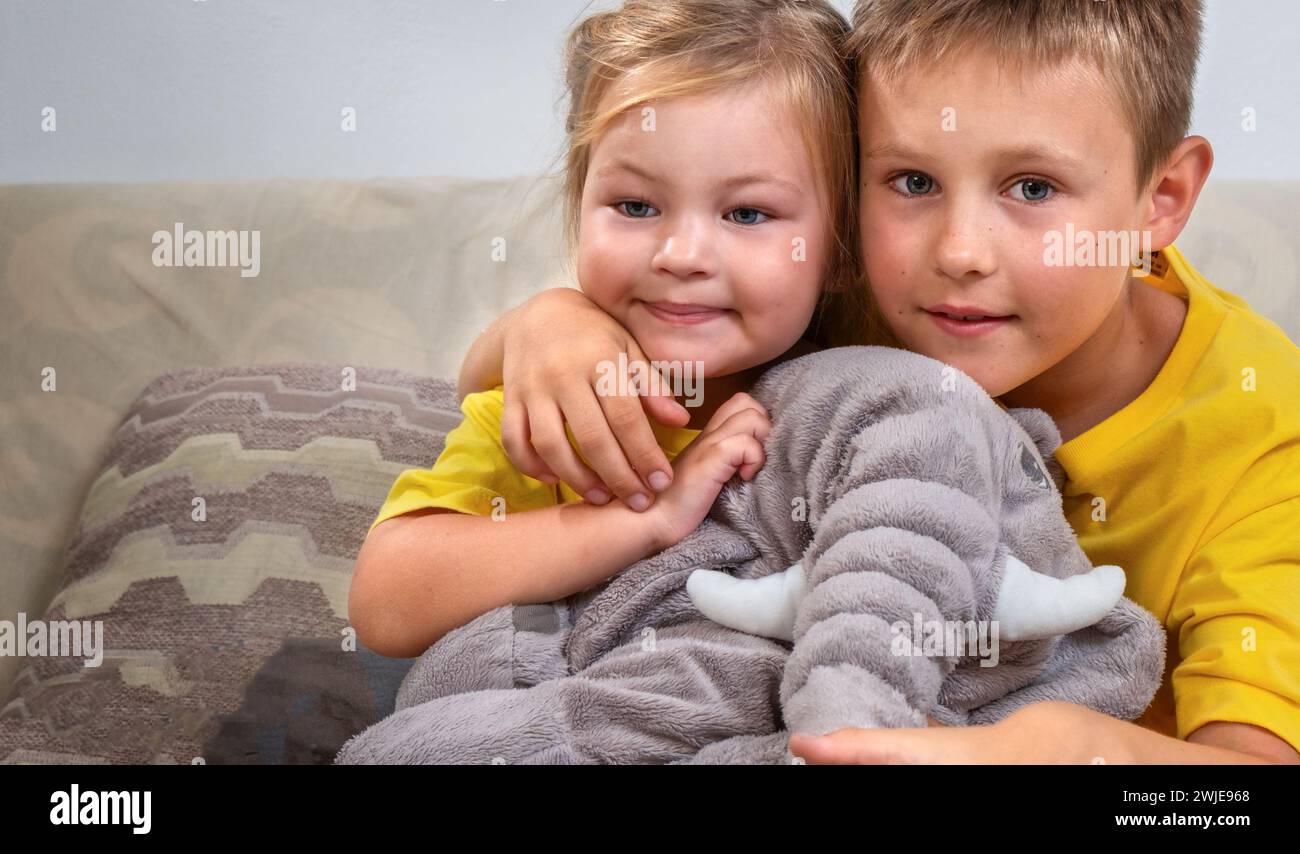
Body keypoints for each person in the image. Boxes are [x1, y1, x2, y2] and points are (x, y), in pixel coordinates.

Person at [456, 0, 1300, 763]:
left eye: (1033, 187)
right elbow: (487, 385)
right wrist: (553, 321)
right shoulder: (856, 290)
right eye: (913, 181)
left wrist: (1070, 748)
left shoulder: (1268, 445)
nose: (958, 252)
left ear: (1161, 197)